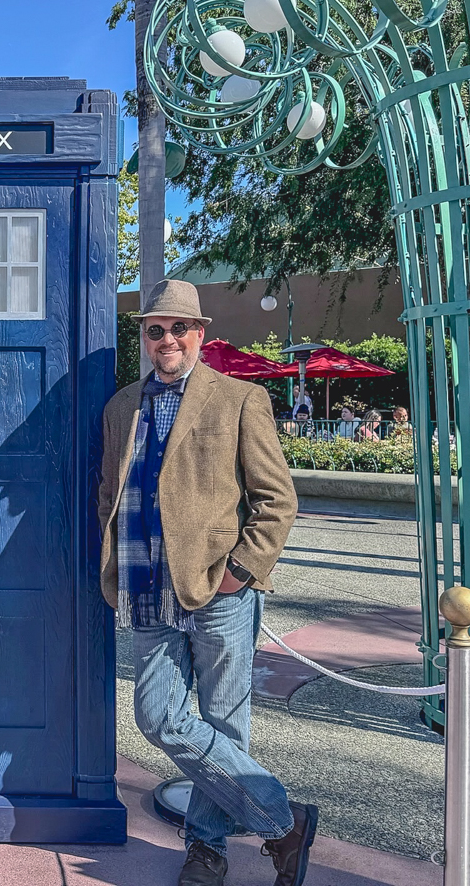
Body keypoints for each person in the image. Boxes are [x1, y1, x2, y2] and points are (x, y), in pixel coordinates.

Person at [98, 280, 318, 886]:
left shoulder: (240, 400)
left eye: (178, 328)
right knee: (159, 717)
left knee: (224, 722)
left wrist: (241, 572)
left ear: (200, 333)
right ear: (143, 336)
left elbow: (277, 500)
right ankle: (284, 822)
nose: (166, 338)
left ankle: (206, 850)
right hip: (146, 586)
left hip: (219, 590)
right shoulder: (121, 407)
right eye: (154, 329)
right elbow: (109, 494)